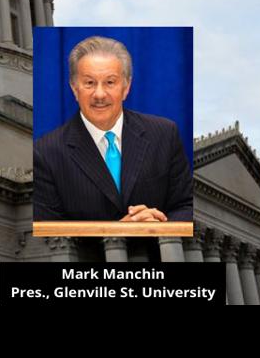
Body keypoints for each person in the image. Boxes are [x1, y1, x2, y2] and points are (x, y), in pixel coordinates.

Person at [33, 36, 192, 222]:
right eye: (90, 83)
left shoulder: (165, 134)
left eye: (110, 82)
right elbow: (49, 236)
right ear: (74, 89)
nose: (99, 94)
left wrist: (159, 226)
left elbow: (186, 206)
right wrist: (117, 233)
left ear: (126, 87)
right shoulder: (44, 153)